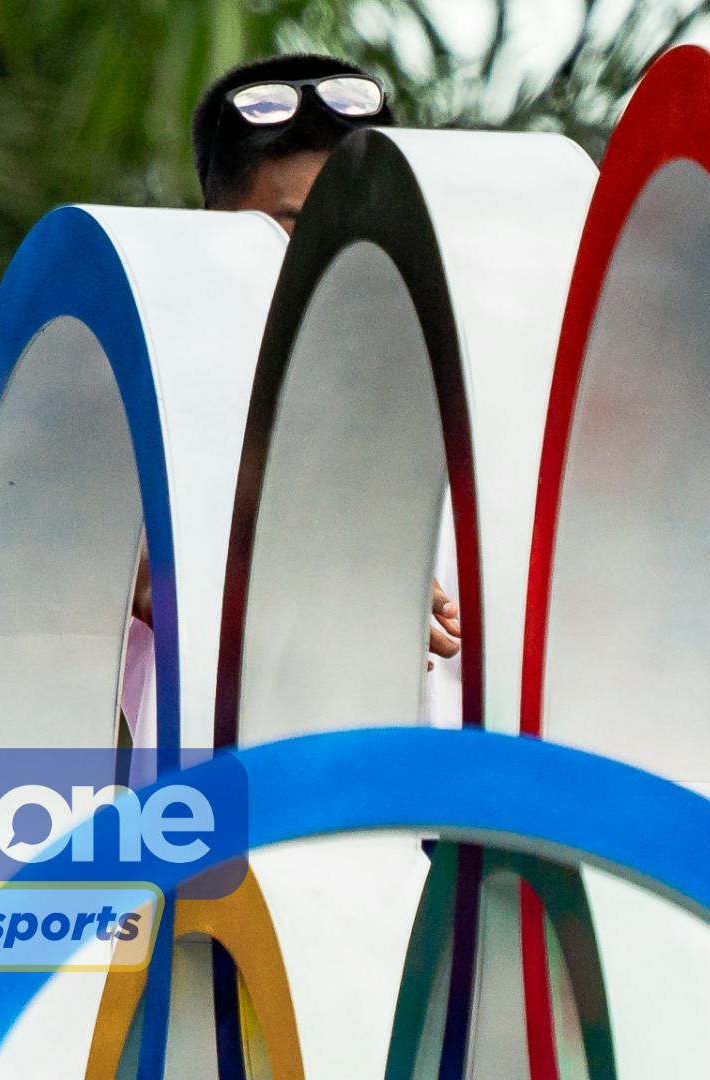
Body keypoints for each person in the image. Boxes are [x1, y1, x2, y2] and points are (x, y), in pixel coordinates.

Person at [120, 55, 459, 743]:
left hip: (469, 829)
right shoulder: (151, 417)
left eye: (360, 227)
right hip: (235, 829)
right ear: (214, 232)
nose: (329, 263)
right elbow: (117, 576)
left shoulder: (466, 415)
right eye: (295, 230)